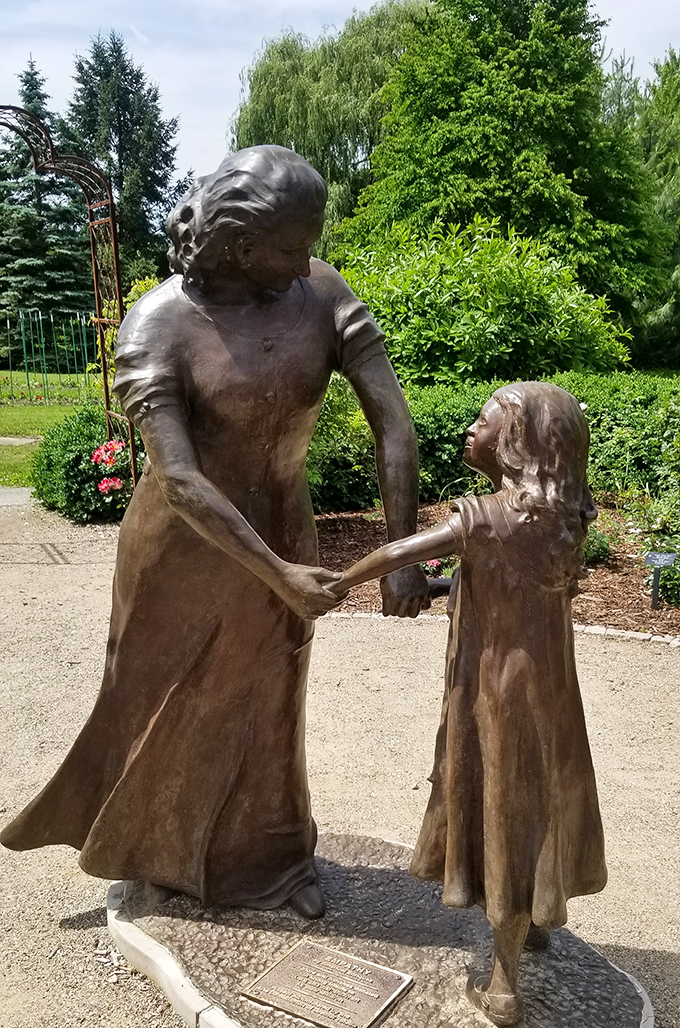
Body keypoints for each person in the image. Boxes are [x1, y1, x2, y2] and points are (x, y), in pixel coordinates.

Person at [1, 145, 429, 919]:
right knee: (169, 704)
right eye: (295, 246)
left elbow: (392, 422)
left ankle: (273, 863)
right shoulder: (156, 328)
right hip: (182, 555)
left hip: (283, 532)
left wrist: (400, 550)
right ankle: (159, 855)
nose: (308, 264)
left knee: (272, 702)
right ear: (241, 247)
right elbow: (181, 480)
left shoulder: (323, 292)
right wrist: (278, 574)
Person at [335, 382, 607, 1025]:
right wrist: (438, 589)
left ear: (515, 442)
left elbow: (398, 552)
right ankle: (537, 920)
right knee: (538, 797)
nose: (470, 428)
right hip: (550, 694)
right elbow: (511, 583)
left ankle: (505, 984)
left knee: (501, 808)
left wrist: (336, 583)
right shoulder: (563, 515)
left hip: (493, 693)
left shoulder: (486, 515)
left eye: (484, 420)